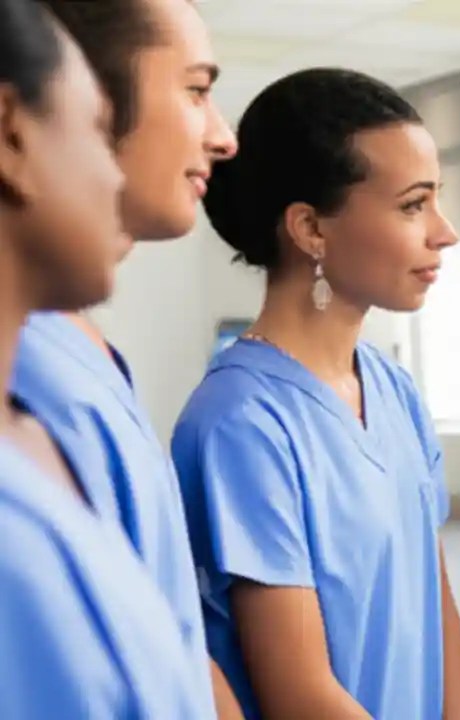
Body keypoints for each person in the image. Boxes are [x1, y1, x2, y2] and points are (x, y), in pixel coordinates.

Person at [170, 67, 460, 720]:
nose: (444, 231)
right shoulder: (241, 424)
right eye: (413, 205)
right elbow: (299, 694)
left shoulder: (392, 389)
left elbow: (438, 611)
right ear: (310, 228)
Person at [13, 1, 240, 716]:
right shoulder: (35, 372)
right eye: (196, 90)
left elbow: (160, 636)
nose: (224, 137)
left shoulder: (81, 354)